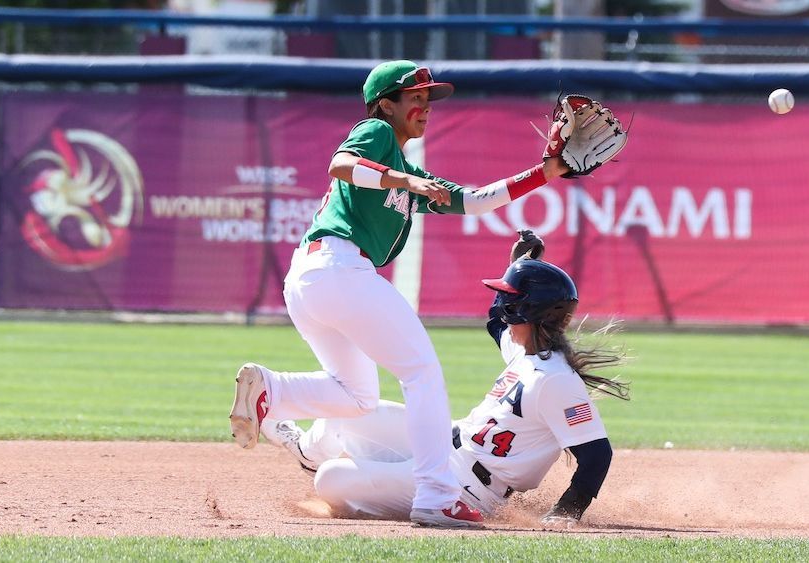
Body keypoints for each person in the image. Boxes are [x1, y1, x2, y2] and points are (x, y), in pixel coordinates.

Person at [228, 60, 572, 529]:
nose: (425, 107)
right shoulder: (377, 133)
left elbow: (474, 200)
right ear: (385, 104)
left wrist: (547, 171)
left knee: (357, 395)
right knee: (422, 371)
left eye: (428, 99)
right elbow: (341, 165)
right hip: (339, 268)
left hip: (314, 278)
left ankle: (272, 390)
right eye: (415, 98)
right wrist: (404, 181)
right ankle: (435, 494)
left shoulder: (403, 164)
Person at [266, 231, 631, 527]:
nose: (503, 304)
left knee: (331, 480)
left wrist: (564, 514)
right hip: (444, 444)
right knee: (345, 413)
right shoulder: (527, 353)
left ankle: (369, 475)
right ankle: (310, 452)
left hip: (468, 489)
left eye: (510, 297)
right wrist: (517, 265)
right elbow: (494, 323)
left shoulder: (556, 380)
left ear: (528, 310)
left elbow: (597, 454)